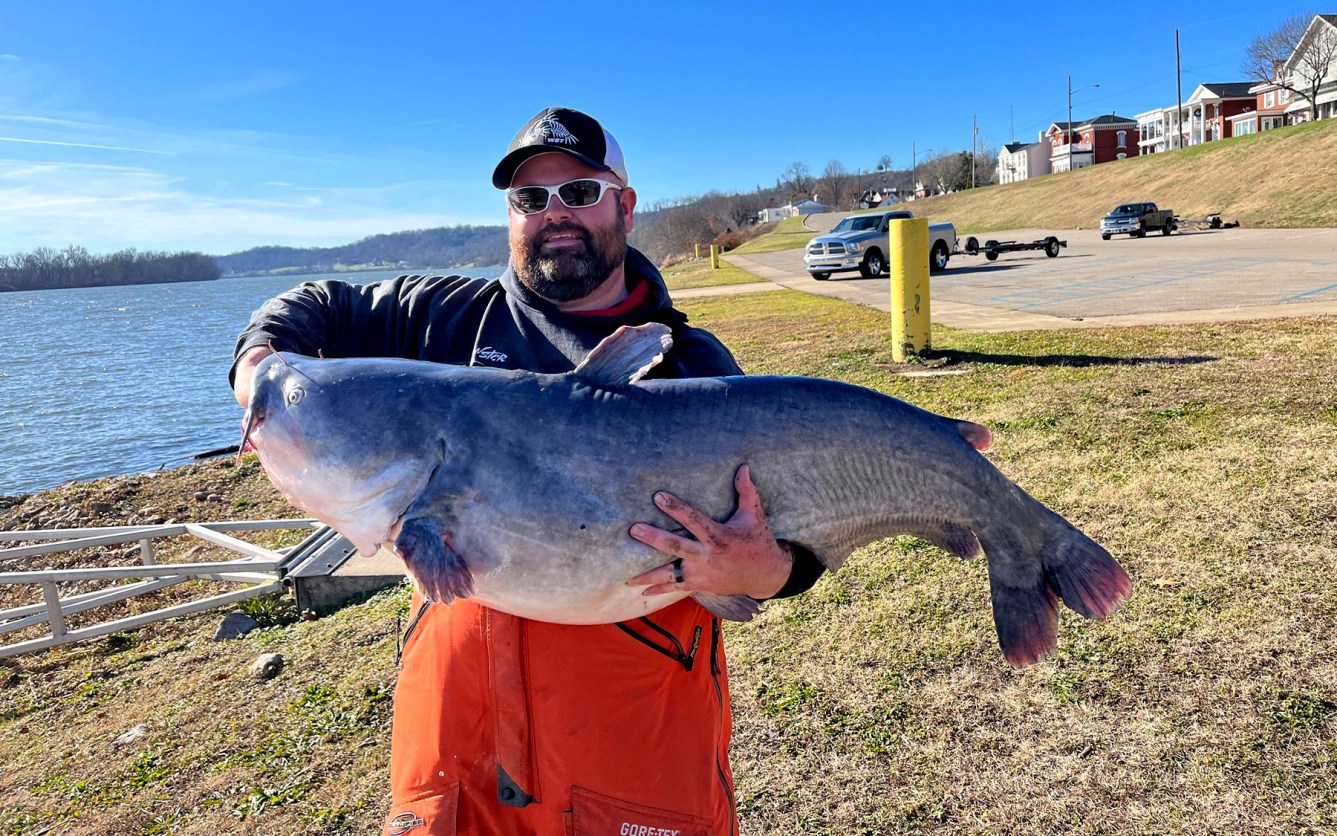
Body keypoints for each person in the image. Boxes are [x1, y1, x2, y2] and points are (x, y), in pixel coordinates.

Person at [230, 107, 824, 835]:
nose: (553, 215)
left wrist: (761, 569)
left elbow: (791, 553)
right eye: (529, 199)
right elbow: (312, 305)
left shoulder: (697, 372)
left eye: (578, 192)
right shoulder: (445, 317)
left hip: (635, 734)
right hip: (458, 745)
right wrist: (259, 363)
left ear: (624, 206)